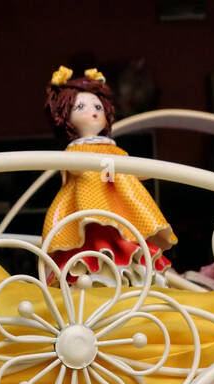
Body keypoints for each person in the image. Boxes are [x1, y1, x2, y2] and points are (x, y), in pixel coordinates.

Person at [42, 66, 176, 277]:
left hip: (118, 201)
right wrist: (87, 164)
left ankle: (125, 266)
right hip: (86, 200)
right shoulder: (75, 149)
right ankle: (92, 269)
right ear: (65, 116)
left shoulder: (112, 148)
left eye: (97, 106)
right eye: (81, 107)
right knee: (90, 235)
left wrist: (150, 169)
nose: (92, 111)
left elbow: (132, 168)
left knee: (125, 232)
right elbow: (73, 167)